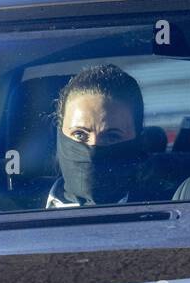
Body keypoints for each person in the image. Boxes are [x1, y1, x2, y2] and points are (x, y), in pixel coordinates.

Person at [46, 64, 149, 207]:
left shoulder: (168, 210)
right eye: (80, 134)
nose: (92, 151)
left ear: (138, 140)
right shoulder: (11, 210)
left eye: (112, 136)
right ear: (59, 134)